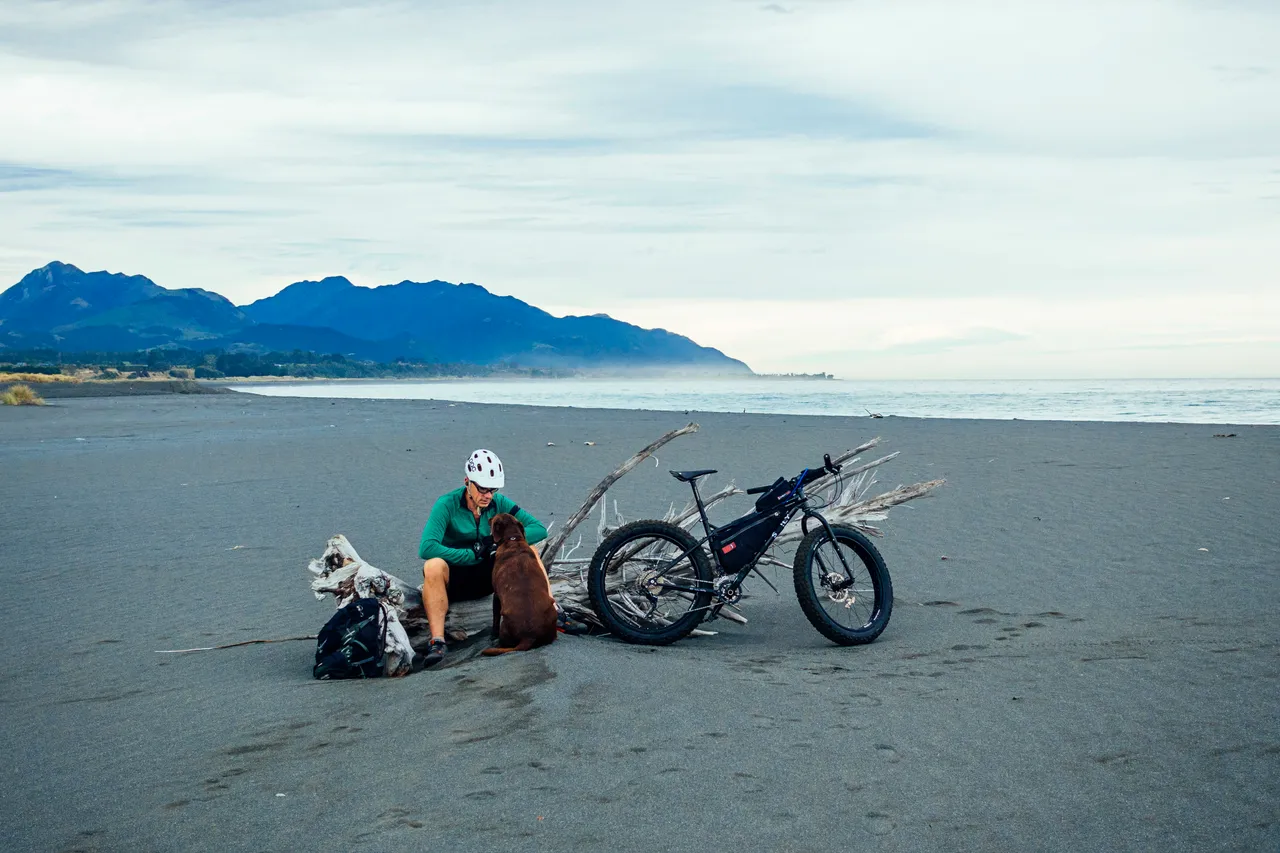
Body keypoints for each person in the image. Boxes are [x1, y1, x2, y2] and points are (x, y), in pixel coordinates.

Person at [418, 449, 573, 668]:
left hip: (490, 576)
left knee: (531, 551)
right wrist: (469, 554)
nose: (488, 495)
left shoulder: (499, 502)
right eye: (482, 488)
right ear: (467, 482)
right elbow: (426, 547)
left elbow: (538, 529)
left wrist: (503, 541)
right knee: (432, 565)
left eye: (492, 489)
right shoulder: (447, 504)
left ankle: (554, 612)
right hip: (457, 578)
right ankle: (438, 641)